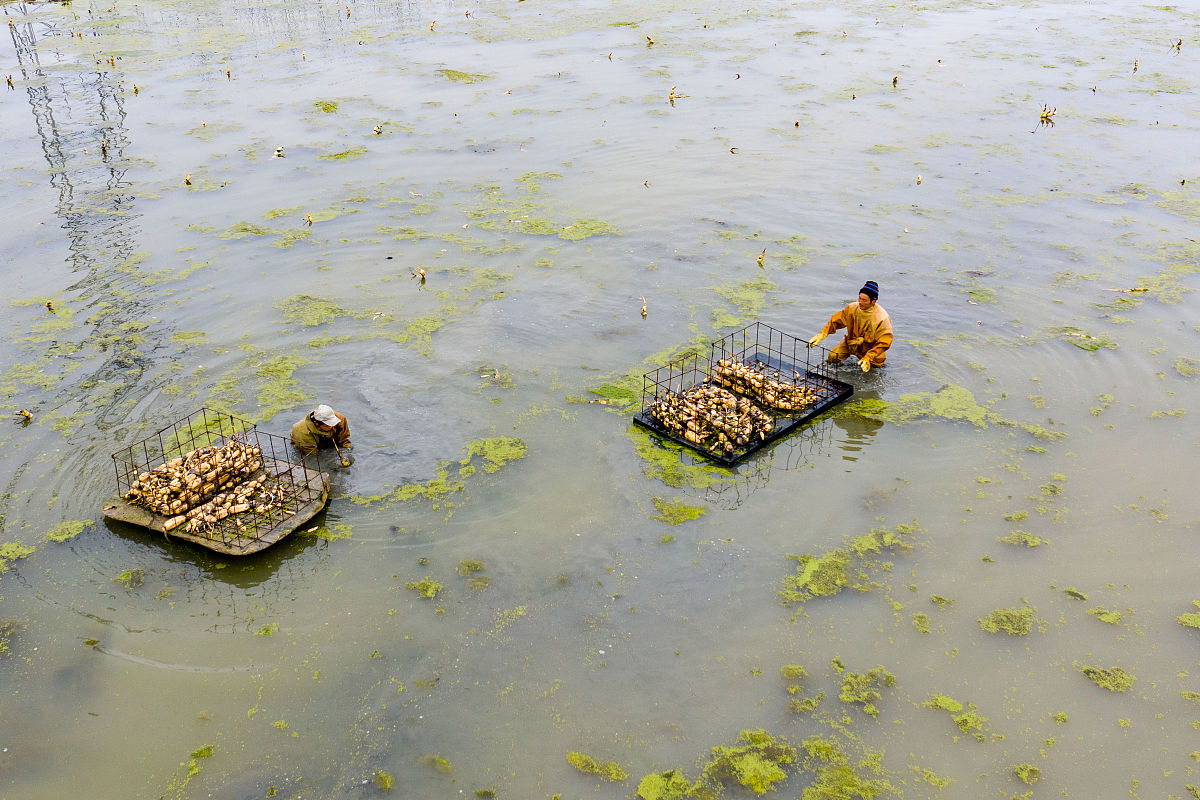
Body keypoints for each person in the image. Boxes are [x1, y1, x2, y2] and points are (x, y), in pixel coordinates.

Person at [807, 280, 893, 372]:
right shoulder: (852, 308)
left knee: (872, 372)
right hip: (851, 343)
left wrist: (868, 357)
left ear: (873, 301)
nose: (860, 302)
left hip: (871, 350)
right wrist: (822, 334)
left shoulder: (882, 318)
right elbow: (836, 320)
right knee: (832, 357)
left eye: (864, 300)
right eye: (859, 298)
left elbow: (884, 342)